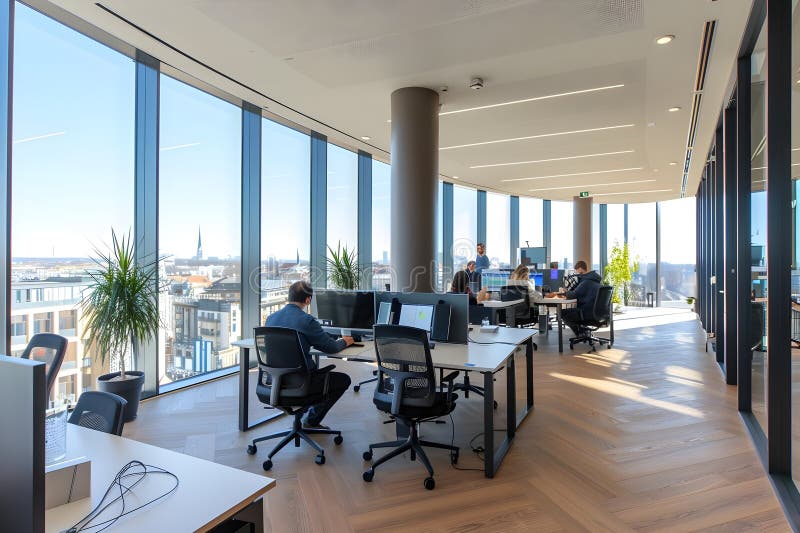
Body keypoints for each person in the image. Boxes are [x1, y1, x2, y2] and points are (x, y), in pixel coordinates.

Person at [265, 281, 353, 428]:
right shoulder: (307, 320)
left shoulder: (271, 318)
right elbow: (331, 347)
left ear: (289, 297)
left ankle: (304, 414)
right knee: (343, 380)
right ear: (308, 300)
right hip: (301, 383)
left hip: (275, 382)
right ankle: (311, 420)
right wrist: (344, 341)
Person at [559, 261, 602, 337]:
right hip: (599, 313)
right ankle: (583, 331)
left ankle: (581, 332)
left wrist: (565, 292)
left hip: (587, 313)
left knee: (562, 313)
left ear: (581, 269)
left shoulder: (586, 281)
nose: (577, 275)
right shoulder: (595, 280)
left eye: (577, 272)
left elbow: (574, 294)